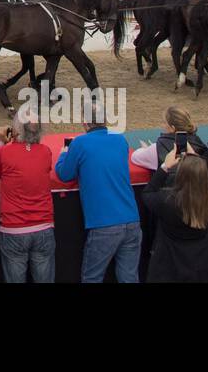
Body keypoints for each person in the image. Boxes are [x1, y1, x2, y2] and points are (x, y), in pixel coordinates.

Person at [54, 106, 141, 283]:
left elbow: (64, 174)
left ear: (84, 123)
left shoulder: (80, 143)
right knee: (129, 277)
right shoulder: (120, 140)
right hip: (132, 220)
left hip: (104, 224)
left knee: (92, 277)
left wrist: (63, 154)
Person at [0, 114, 55, 283]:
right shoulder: (45, 152)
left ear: (17, 129)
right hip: (43, 227)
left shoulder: (5, 151)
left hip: (14, 228)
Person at [143, 149, 208, 282]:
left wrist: (165, 167)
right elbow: (203, 182)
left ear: (180, 175)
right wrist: (196, 161)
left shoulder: (166, 201)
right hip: (204, 266)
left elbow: (148, 193)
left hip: (171, 267)